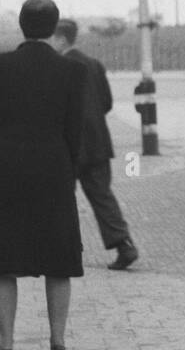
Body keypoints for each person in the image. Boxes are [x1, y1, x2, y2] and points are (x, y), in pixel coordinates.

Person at [0, 0, 87, 350]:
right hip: (54, 167)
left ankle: (5, 348)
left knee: (3, 260)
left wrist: (0, 155)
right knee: (59, 260)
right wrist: (67, 170)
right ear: (54, 26)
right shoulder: (73, 71)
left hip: (6, 166)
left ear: (21, 25)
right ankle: (58, 346)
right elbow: (75, 131)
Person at [52, 19, 139, 269]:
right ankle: (125, 245)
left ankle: (62, 251)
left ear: (61, 39)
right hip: (98, 143)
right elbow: (106, 102)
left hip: (68, 146)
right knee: (102, 197)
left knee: (61, 200)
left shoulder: (58, 66)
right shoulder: (94, 65)